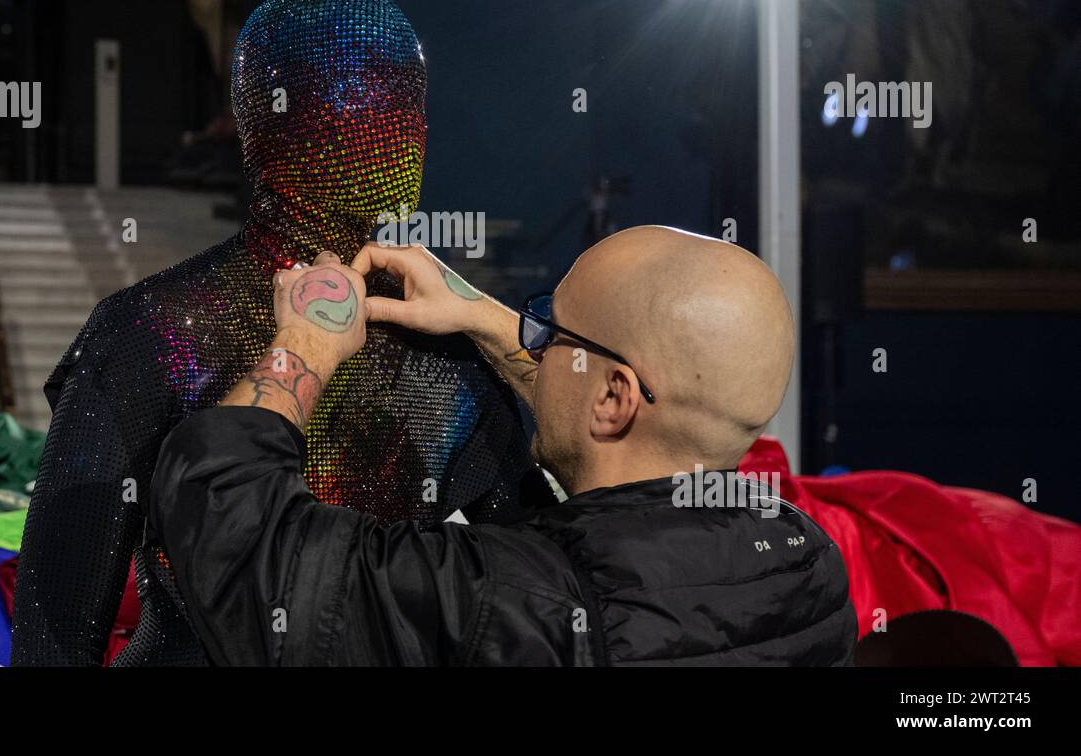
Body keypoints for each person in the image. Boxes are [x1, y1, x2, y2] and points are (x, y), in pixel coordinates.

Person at [11, 0, 550, 666]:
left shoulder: (149, 326)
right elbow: (562, 589)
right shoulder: (150, 333)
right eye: (375, 110)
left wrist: (490, 328)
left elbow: (56, 629)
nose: (398, 135)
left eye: (401, 108)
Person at [149, 228, 858, 665]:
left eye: (552, 333)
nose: (536, 345)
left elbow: (237, 534)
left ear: (613, 397)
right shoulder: (807, 564)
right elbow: (605, 417)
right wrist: (485, 317)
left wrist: (306, 339)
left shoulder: (527, 605)